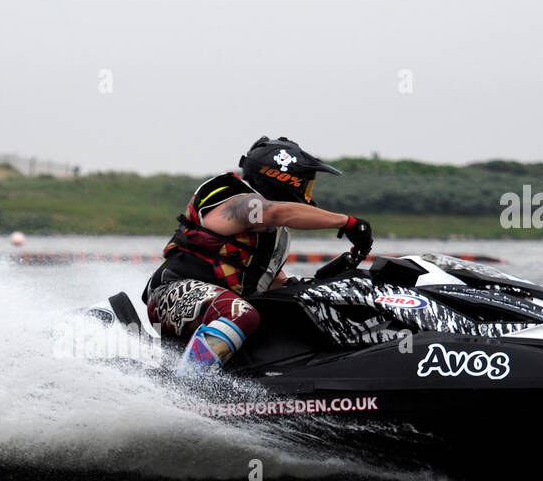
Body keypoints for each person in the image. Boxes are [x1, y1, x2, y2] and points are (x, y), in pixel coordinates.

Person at [142, 135, 373, 372]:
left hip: (217, 303)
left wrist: (324, 284)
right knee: (240, 314)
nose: (308, 192)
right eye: (306, 183)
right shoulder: (235, 199)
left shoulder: (269, 232)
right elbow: (274, 212)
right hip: (171, 291)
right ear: (283, 177)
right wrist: (348, 223)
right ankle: (188, 385)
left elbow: (274, 281)